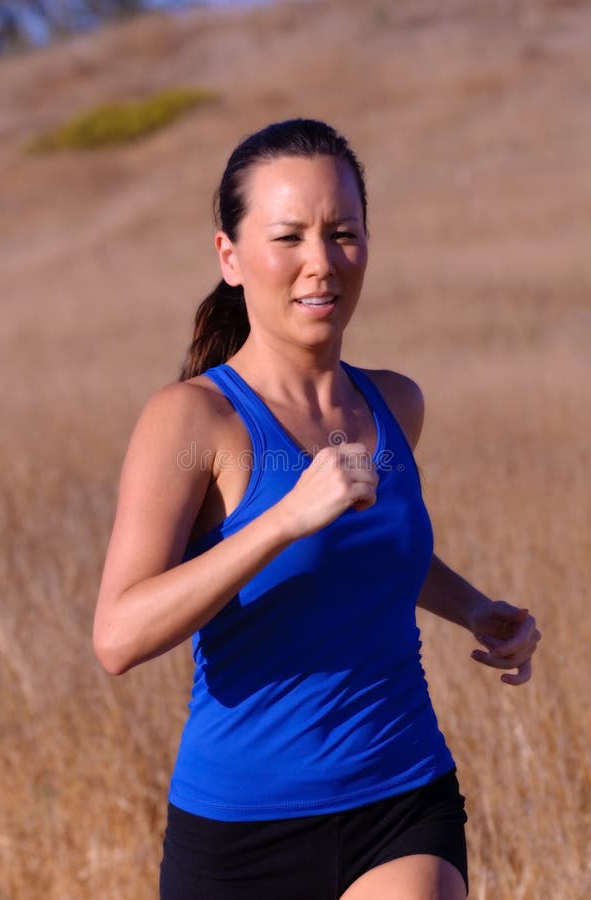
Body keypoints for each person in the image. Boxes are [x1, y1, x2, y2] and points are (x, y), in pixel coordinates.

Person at [93, 119, 541, 900]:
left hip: (404, 796)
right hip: (241, 834)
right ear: (230, 257)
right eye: (289, 236)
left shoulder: (395, 403)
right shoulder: (194, 421)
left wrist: (476, 609)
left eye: (343, 233)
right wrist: (283, 520)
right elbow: (118, 637)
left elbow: (369, 552)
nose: (321, 262)